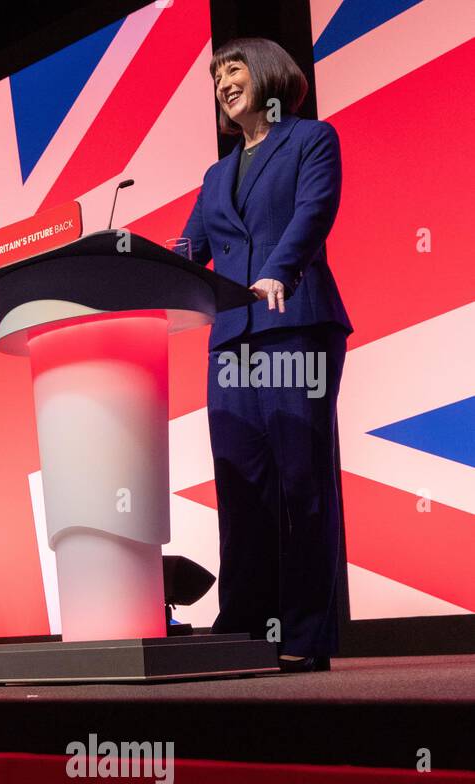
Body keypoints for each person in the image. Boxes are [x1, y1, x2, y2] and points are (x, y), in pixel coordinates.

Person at [180, 38, 353, 672]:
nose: (223, 84)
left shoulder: (311, 139)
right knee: (241, 485)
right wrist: (138, 282)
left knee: (301, 480)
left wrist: (280, 269)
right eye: (216, 77)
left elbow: (314, 212)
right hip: (231, 341)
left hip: (294, 325)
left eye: (233, 70)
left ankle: (306, 634)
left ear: (268, 75)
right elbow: (190, 247)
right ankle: (247, 628)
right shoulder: (215, 174)